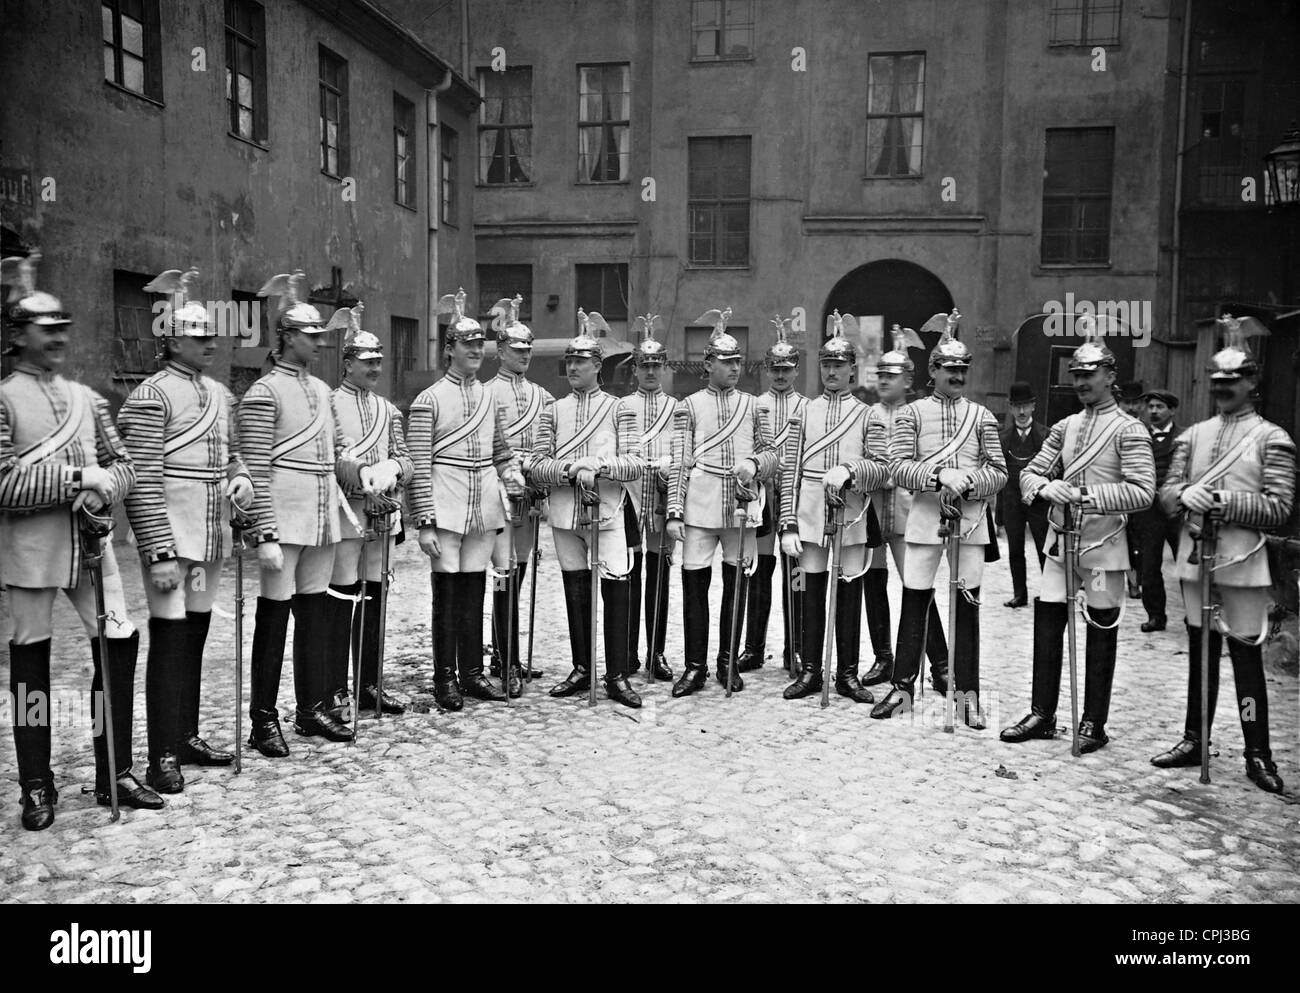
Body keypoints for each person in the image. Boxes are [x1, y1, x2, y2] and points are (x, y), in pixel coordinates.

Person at [1, 251, 159, 829]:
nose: (60, 338)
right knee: (31, 665)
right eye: (48, 329)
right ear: (19, 337)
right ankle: (36, 786)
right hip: (32, 551)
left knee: (119, 642)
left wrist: (103, 489)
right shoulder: (2, 399)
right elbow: (3, 482)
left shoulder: (89, 401)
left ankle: (112, 769)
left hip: (94, 546)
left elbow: (125, 466)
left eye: (64, 327)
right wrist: (76, 478)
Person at [117, 267, 252, 794]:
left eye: (212, 335)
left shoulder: (220, 394)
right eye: (199, 337)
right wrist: (158, 549)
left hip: (210, 537)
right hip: (172, 536)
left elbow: (234, 456)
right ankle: (161, 753)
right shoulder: (151, 397)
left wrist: (240, 480)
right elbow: (143, 480)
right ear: (172, 340)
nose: (210, 343)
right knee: (169, 636)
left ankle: (187, 734)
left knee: (195, 633)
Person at [1150, 316, 1293, 794]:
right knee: (1200, 656)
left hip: (1243, 563)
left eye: (1233, 381)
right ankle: (1195, 737)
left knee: (1246, 664)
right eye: (1217, 382)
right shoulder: (1192, 436)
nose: (1223, 389)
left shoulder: (1272, 438)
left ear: (1252, 383)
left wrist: (1224, 502)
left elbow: (1280, 508)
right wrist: (1183, 496)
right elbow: (1164, 493)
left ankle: (1257, 750)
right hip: (1197, 562)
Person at [1001, 321, 1155, 753]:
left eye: (1089, 374)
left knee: (1101, 628)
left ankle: (1093, 722)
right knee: (1048, 621)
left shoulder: (1129, 429)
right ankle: (1042, 712)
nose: (1081, 382)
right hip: (1059, 546)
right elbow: (1030, 470)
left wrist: (1084, 494)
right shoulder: (1065, 427)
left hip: (1105, 548)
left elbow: (1143, 491)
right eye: (1076, 375)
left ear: (1110, 375)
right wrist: (1043, 487)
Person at [239, 270, 365, 755]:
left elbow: (337, 450)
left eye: (320, 336)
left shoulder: (321, 391)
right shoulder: (263, 393)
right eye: (310, 336)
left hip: (320, 514)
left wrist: (354, 464)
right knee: (274, 617)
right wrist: (264, 532)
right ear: (288, 338)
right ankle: (263, 718)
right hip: (283, 516)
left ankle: (311, 707)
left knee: (314, 613)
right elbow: (253, 468)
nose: (318, 344)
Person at [869, 310, 1006, 728]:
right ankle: (902, 686)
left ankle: (967, 694)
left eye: (963, 369)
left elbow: (999, 472)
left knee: (967, 606)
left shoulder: (981, 417)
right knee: (915, 599)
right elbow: (896, 467)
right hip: (925, 517)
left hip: (970, 522)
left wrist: (968, 482)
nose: (958, 376)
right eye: (950, 368)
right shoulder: (913, 415)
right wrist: (938, 476)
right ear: (933, 370)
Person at [407, 288, 525, 711]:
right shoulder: (429, 400)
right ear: (449, 349)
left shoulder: (490, 397)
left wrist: (511, 476)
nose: (476, 351)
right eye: (468, 345)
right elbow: (419, 464)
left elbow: (501, 452)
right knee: (448, 594)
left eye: (480, 345)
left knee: (475, 590)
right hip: (446, 501)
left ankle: (473, 673)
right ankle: (445, 678)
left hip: (484, 503)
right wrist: (423, 519)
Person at [530, 311, 644, 707]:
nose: (573, 367)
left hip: (608, 512)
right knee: (575, 590)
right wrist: (567, 468)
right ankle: (581, 668)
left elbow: (636, 461)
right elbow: (536, 465)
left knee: (615, 589)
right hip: (565, 514)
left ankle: (616, 675)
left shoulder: (619, 409)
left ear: (598, 366)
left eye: (581, 361)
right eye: (569, 360)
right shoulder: (552, 411)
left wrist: (600, 466)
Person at [666, 307, 778, 696]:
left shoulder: (754, 405)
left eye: (738, 362)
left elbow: (772, 454)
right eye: (727, 362)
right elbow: (680, 460)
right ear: (708, 363)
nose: (734, 368)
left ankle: (727, 662)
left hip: (742, 507)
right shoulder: (689, 406)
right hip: (699, 505)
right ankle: (694, 666)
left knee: (737, 585)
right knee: (695, 586)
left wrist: (753, 462)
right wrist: (674, 512)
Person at [780, 313, 888, 702]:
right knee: (809, 590)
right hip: (809, 510)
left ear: (852, 370)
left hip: (851, 512)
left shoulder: (867, 415)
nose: (831, 371)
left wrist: (850, 469)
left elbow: (882, 469)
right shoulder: (803, 412)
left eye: (839, 365)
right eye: (826, 364)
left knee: (849, 591)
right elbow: (790, 471)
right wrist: (787, 524)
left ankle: (847, 674)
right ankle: (810, 670)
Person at [322, 306, 413, 720]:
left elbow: (406, 460)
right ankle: (335, 688)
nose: (375, 367)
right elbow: (327, 459)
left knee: (375, 595)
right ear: (347, 363)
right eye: (367, 361)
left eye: (379, 360)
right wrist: (362, 483)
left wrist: (393, 470)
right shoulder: (330, 404)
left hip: (383, 513)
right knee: (342, 597)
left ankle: (369, 682)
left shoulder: (389, 410)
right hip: (346, 511)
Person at [862, 325, 949, 687]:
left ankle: (940, 663)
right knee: (873, 583)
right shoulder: (865, 414)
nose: (884, 380)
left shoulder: (918, 415)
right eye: (880, 374)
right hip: (869, 510)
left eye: (891, 375)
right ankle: (884, 658)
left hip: (905, 510)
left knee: (917, 587)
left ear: (907, 380)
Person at [486, 294, 554, 691]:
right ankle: (502, 656)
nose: (524, 355)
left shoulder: (543, 396)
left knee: (520, 571)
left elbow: (548, 449)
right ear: (500, 350)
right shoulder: (487, 393)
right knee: (502, 572)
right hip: (499, 492)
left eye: (528, 349)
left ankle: (510, 653)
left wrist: (540, 485)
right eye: (516, 349)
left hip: (529, 496)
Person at [743, 316, 808, 674]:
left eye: (786, 369)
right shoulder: (756, 405)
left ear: (795, 370)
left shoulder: (806, 407)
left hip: (795, 500)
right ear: (767, 369)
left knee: (795, 576)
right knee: (759, 573)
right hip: (763, 499)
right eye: (774, 369)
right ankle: (754, 648)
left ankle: (794, 649)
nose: (780, 375)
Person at [616, 314, 677, 683]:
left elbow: (687, 449)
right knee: (629, 574)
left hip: (663, 492)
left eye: (656, 365)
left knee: (659, 576)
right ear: (635, 369)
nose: (651, 372)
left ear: (664, 368)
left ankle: (656, 652)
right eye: (644, 365)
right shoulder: (622, 406)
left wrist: (672, 467)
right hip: (631, 492)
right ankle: (626, 652)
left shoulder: (677, 407)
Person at [1132, 389, 1181, 631]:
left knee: (1186, 565)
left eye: (1159, 406)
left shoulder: (1184, 439)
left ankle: (1193, 614)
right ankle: (1155, 615)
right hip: (1148, 512)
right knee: (1149, 566)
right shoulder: (1139, 437)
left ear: (1172, 410)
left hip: (1177, 513)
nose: (1153, 411)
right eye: (1150, 406)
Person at [1000, 380, 1049, 608]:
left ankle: (1050, 592)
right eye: (1016, 406)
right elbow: (999, 477)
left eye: (1025, 406)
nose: (1021, 412)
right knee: (1015, 549)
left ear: (1033, 406)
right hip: (1012, 502)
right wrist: (999, 515)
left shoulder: (1046, 435)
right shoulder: (1003, 438)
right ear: (1010, 407)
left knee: (1044, 547)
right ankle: (1020, 594)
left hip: (1039, 503)